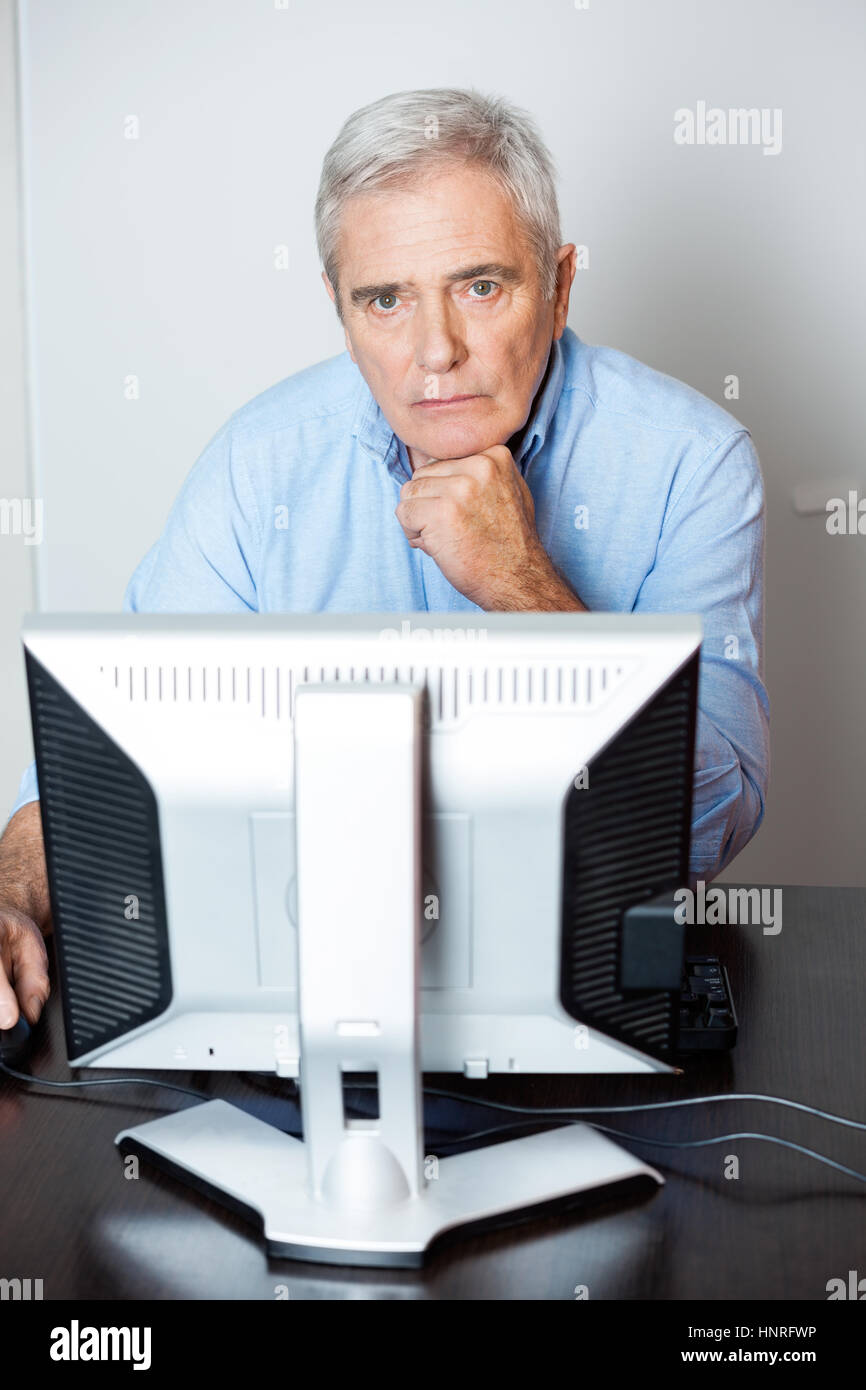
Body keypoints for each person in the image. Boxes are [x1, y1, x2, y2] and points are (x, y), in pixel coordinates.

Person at [0, 87, 769, 1032]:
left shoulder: (692, 461)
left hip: (582, 1009)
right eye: (386, 300)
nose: (434, 353)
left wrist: (522, 585)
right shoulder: (259, 464)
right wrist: (13, 898)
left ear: (561, 284)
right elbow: (102, 761)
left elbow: (707, 828)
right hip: (296, 1003)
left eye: (480, 286)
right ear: (339, 306)